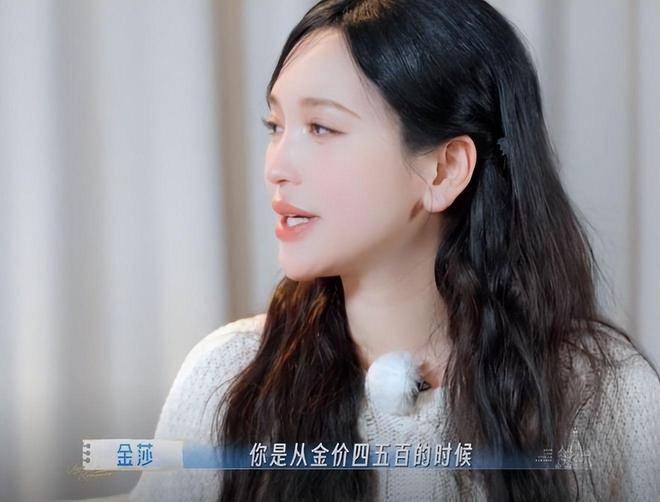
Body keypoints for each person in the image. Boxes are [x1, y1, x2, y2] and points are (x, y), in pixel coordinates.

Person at [125, 0, 659, 501]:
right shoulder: (229, 375)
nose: (277, 167)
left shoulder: (603, 396)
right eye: (276, 126)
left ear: (444, 169)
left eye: (321, 128)